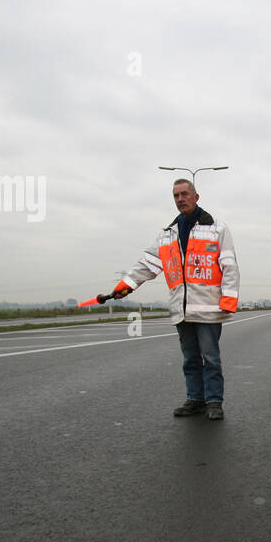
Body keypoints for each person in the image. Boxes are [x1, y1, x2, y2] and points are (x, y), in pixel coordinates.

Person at [107, 178, 240, 420]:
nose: (180, 199)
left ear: (196, 197)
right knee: (190, 359)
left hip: (209, 308)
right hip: (181, 308)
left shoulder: (217, 229)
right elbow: (146, 265)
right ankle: (195, 399)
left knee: (210, 358)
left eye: (184, 194)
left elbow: (229, 267)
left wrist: (228, 301)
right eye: (176, 196)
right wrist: (124, 286)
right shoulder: (167, 234)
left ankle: (213, 401)